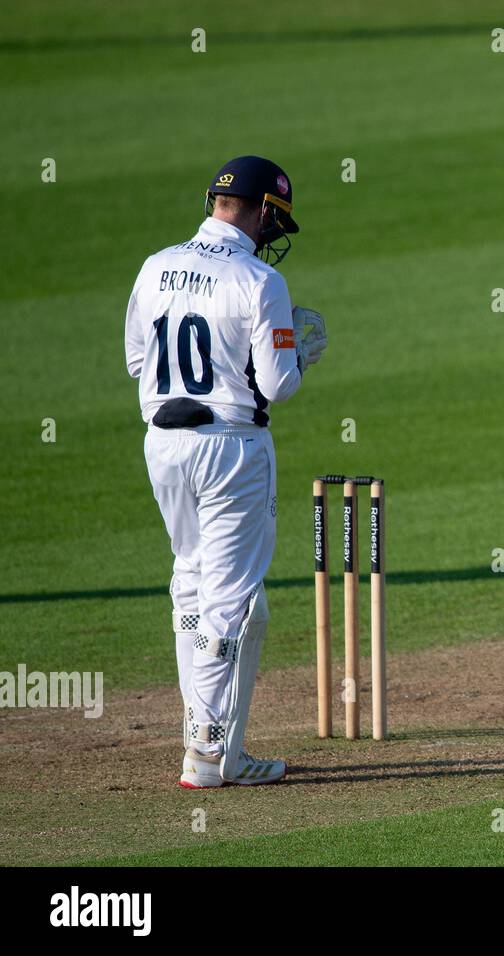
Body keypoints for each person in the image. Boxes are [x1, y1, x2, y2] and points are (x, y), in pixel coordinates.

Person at [124, 156, 328, 788]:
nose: (275, 234)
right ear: (263, 210)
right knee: (229, 603)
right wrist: (301, 348)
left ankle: (208, 746)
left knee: (190, 584)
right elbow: (276, 384)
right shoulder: (258, 280)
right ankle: (210, 754)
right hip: (232, 450)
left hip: (163, 444)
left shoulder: (156, 265)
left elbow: (137, 362)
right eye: (276, 220)